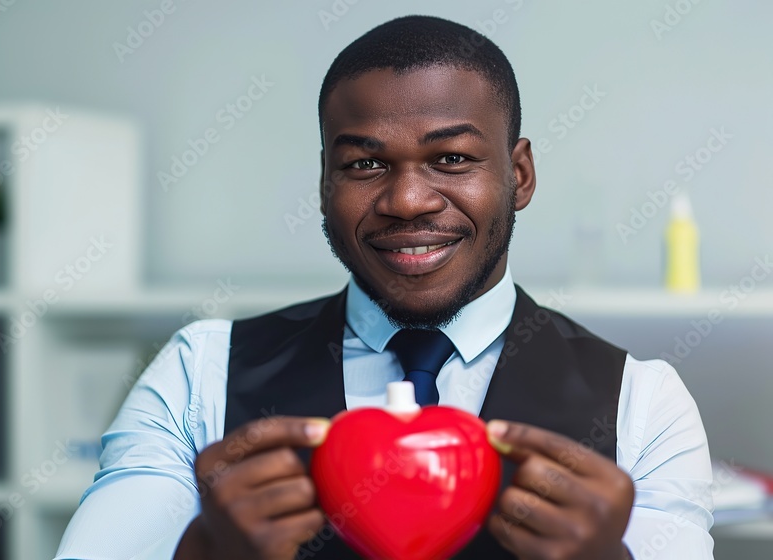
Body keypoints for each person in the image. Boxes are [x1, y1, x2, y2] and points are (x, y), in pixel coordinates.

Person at [55, 15, 713, 560]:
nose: (407, 200)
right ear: (324, 184)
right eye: (364, 164)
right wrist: (203, 550)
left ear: (520, 175)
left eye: (451, 158)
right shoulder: (198, 375)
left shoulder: (642, 406)